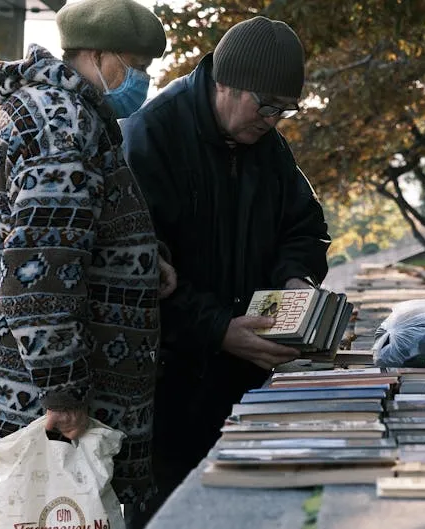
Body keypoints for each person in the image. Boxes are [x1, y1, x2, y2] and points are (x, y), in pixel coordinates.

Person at [0, 0, 175, 523]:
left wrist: (146, 260)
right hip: (58, 415)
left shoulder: (61, 112)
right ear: (98, 54)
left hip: (52, 397)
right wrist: (64, 393)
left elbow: (77, 233)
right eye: (136, 65)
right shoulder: (62, 126)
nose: (142, 80)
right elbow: (39, 274)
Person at [121, 16, 331, 522]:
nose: (274, 120)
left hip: (245, 378)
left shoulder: (269, 149)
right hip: (168, 384)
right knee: (171, 514)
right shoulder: (153, 135)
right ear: (225, 83)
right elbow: (139, 266)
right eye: (267, 105)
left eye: (286, 110)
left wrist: (295, 280)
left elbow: (304, 228)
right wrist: (217, 329)